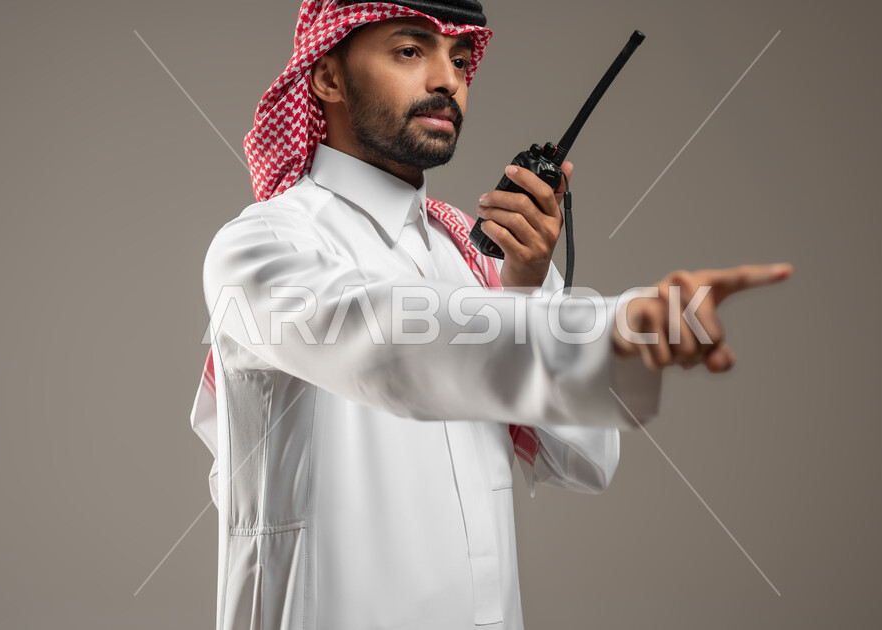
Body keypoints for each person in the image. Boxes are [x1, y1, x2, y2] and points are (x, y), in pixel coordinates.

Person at [188, 1, 792, 628]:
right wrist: (606, 328)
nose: (448, 79)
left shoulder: (476, 260)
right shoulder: (262, 246)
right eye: (409, 50)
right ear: (328, 78)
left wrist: (529, 290)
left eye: (461, 58)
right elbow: (388, 343)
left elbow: (587, 461)